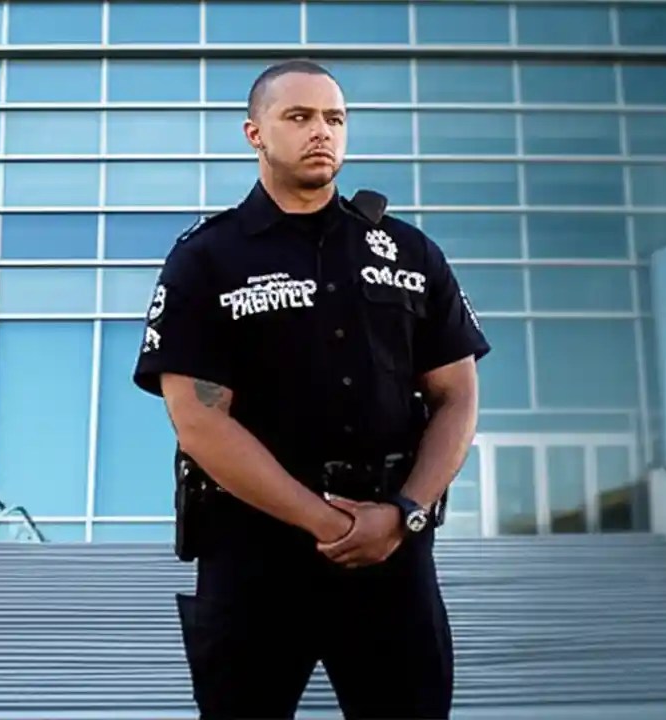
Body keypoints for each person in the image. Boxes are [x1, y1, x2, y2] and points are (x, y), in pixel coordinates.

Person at [133, 59, 490, 719]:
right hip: (255, 556)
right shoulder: (206, 258)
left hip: (393, 553)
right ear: (255, 133)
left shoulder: (408, 252)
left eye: (334, 118)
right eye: (298, 117)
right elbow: (199, 418)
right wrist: (327, 522)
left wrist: (402, 513)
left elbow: (457, 396)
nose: (320, 131)